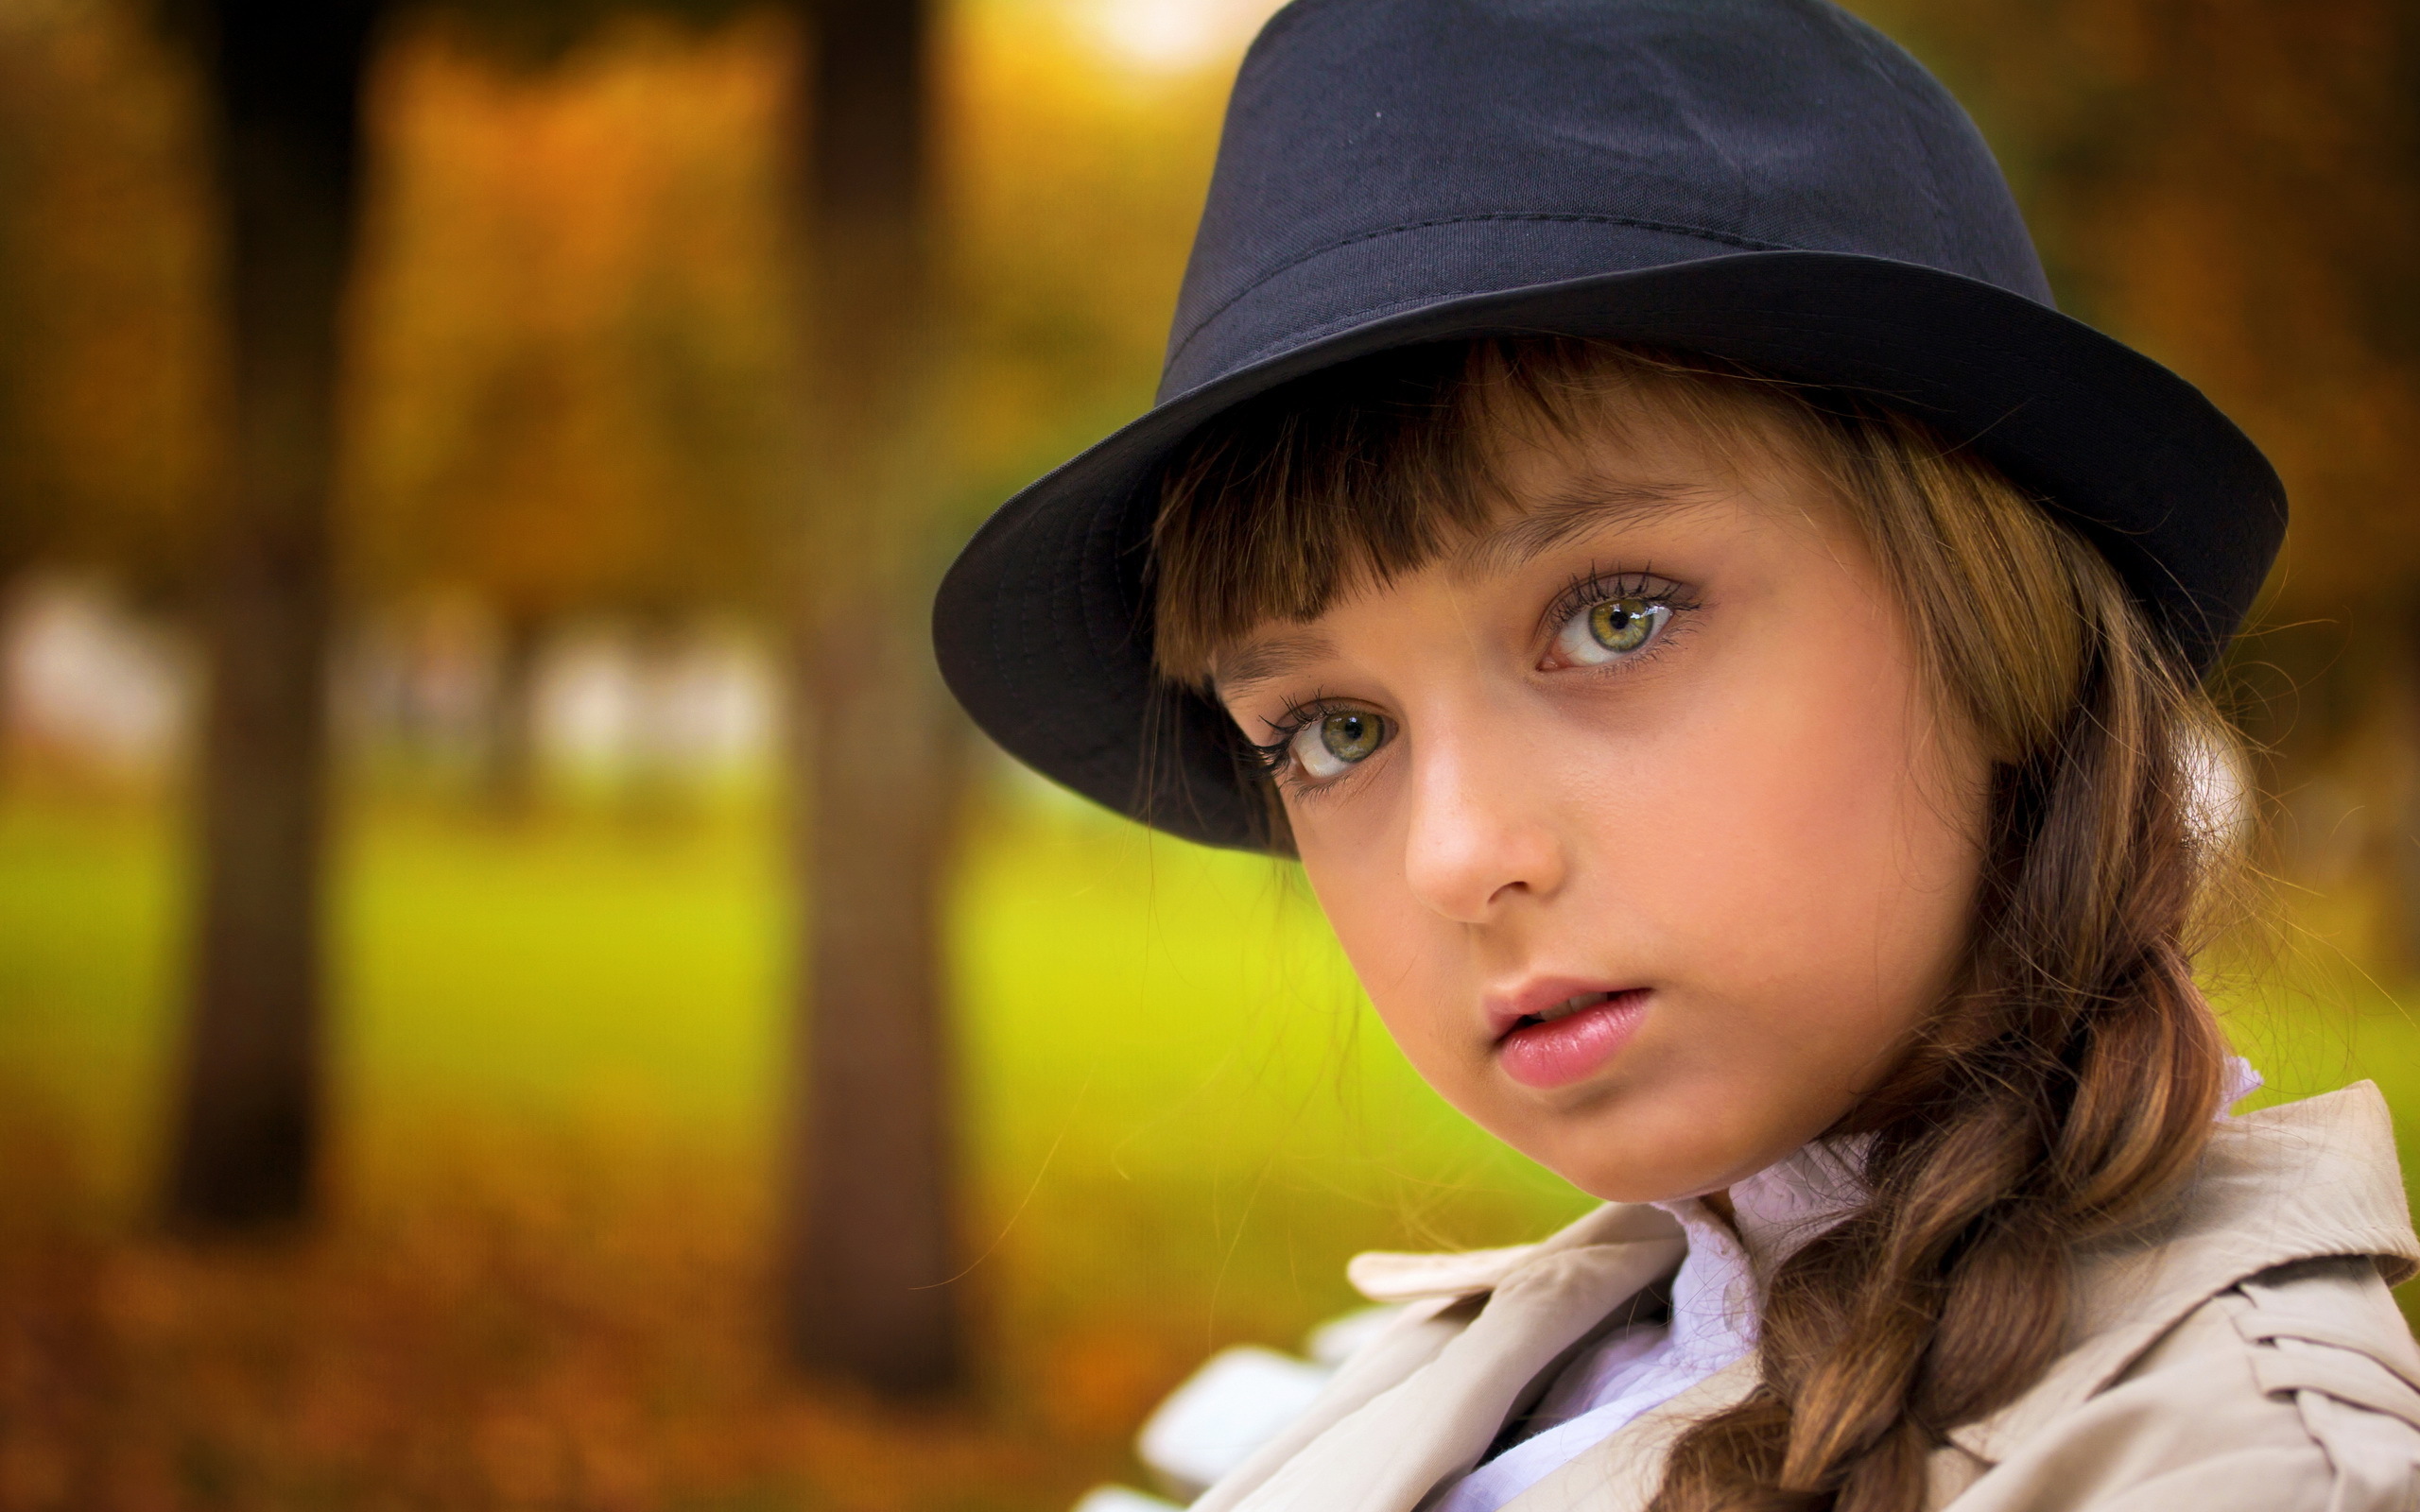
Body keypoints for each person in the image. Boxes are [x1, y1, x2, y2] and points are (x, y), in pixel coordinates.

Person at [932, 2, 2420, 1508]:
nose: (1458, 857)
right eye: (1337, 731)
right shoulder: (1517, 1363)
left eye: (1617, 618)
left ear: (2001, 633)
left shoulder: (2225, 1467)